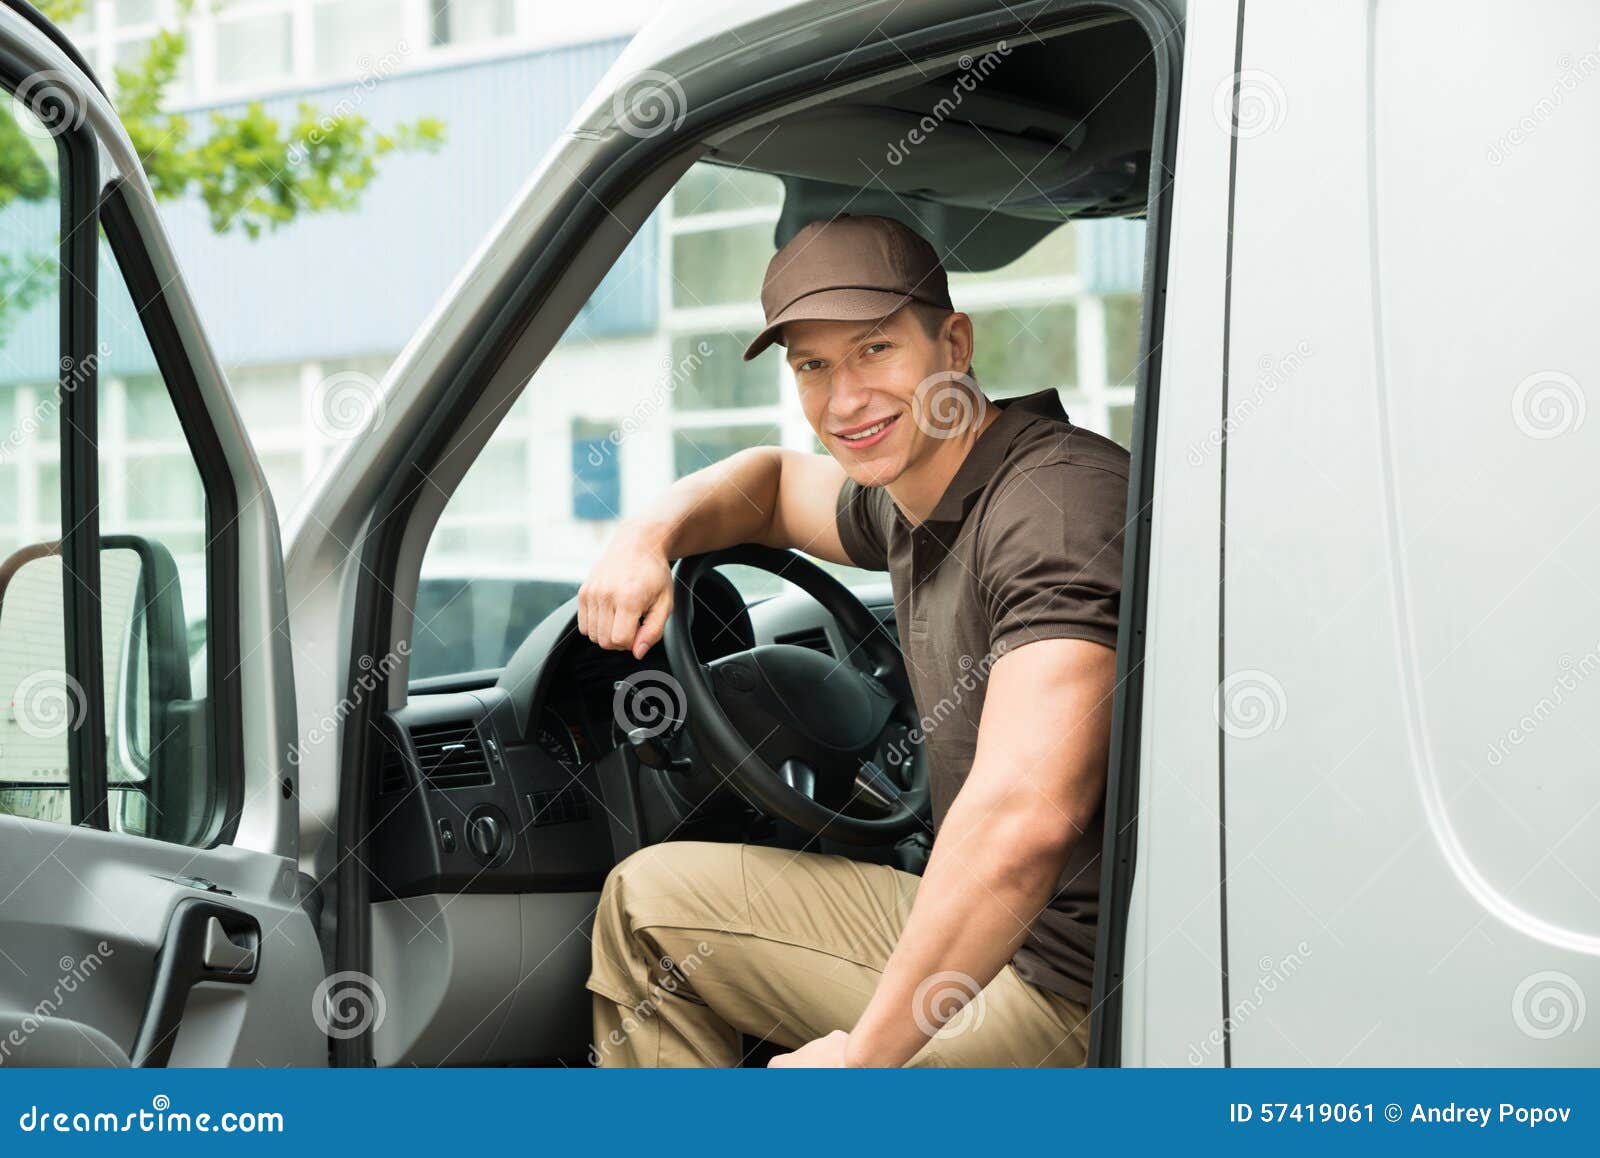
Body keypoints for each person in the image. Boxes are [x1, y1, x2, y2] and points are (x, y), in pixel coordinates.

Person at [578, 213, 1130, 1067]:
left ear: (953, 344)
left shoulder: (1052, 509)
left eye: (875, 351)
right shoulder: (918, 488)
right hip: (1002, 935)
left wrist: (861, 1061)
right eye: (814, 365)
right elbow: (768, 485)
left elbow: (1026, 820)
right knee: (648, 907)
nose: (845, 400)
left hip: (1084, 989)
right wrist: (643, 536)